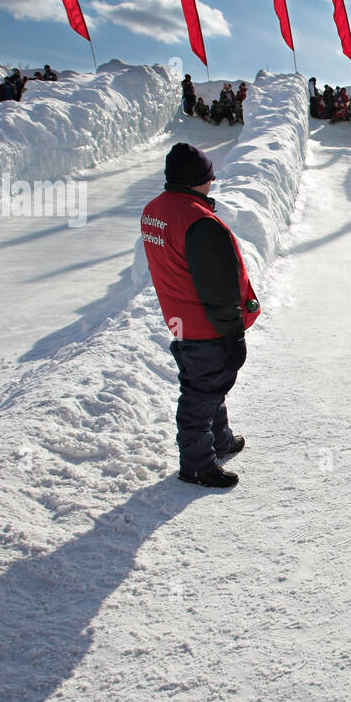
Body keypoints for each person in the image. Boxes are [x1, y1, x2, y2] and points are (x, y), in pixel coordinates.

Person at [140, 143, 261, 487]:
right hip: (204, 327)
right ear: (198, 180)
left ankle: (219, 440)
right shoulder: (200, 222)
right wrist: (233, 332)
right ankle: (196, 464)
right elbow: (219, 288)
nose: (213, 180)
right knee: (201, 394)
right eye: (209, 175)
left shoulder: (155, 210)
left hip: (181, 319)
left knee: (210, 386)